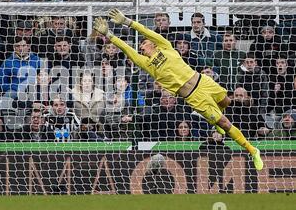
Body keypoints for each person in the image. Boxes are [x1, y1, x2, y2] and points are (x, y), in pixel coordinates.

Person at [93, 9, 263, 170]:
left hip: (203, 81)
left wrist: (126, 21)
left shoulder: (165, 45)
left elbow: (146, 31)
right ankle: (253, 151)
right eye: (140, 47)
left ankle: (217, 121)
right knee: (225, 123)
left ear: (151, 44)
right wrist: (109, 35)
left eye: (143, 44)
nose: (141, 47)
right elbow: (127, 50)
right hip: (193, 97)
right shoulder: (147, 64)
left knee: (226, 101)